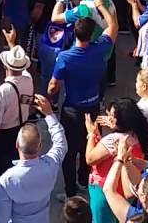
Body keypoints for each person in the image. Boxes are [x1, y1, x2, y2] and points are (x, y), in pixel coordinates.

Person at [49, 16, 115, 201]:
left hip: (72, 112)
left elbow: (53, 87)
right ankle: (84, 182)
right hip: (94, 109)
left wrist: (51, 91)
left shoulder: (65, 57)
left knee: (69, 153)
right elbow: (113, 26)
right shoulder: (100, 48)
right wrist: (102, 6)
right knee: (91, 145)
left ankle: (70, 192)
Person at [0, 94, 63, 223]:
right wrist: (49, 115)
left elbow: (1, 218)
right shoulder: (50, 166)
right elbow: (61, 143)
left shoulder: (6, 180)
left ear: (17, 145)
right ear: (40, 145)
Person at [84, 98, 148, 223]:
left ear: (122, 121)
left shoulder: (114, 139)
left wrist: (92, 134)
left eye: (112, 116)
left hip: (103, 190)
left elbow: (90, 158)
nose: (109, 118)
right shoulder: (138, 134)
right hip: (121, 190)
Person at [0, 29, 34, 183]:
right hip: (19, 132)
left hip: (2, 139)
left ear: (5, 66)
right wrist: (13, 44)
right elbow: (22, 68)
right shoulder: (28, 79)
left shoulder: (2, 92)